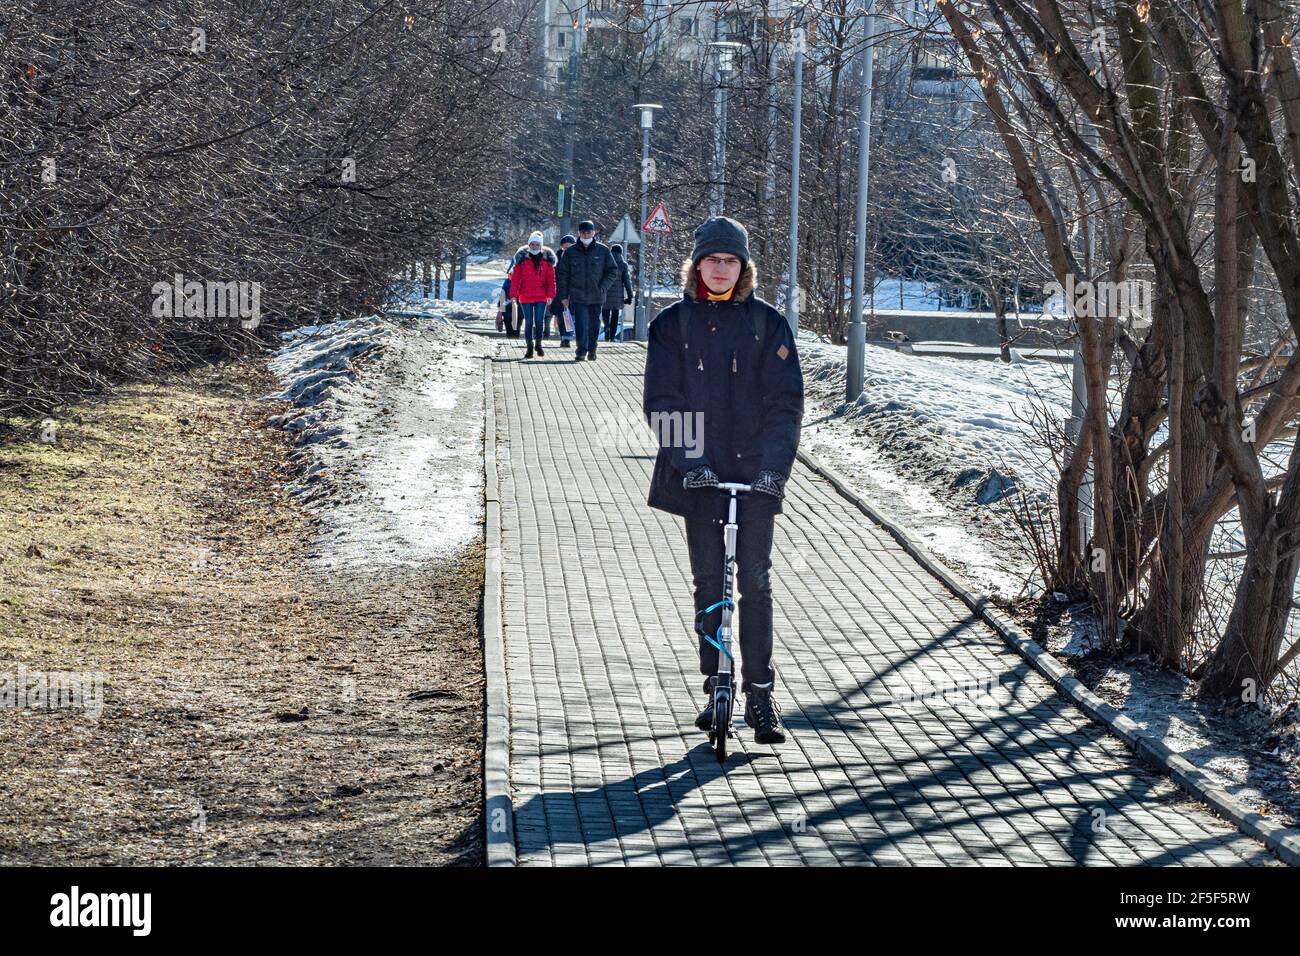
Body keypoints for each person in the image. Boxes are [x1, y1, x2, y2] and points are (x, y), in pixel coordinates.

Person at [642, 217, 804, 745]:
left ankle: (760, 692)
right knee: (711, 583)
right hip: (698, 479)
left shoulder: (767, 323)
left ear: (744, 267)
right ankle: (716, 683)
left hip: (755, 480)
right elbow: (663, 402)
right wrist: (693, 464)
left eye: (730, 261)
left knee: (753, 583)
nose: (720, 269)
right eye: (712, 260)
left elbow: (786, 406)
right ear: (696, 265)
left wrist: (773, 473)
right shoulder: (672, 325)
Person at [555, 219, 617, 361]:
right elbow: (562, 275)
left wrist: (603, 287)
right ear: (579, 233)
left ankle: (592, 349)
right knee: (581, 323)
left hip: (597, 295)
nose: (586, 235)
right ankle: (581, 351)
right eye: (583, 232)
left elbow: (612, 271)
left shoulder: (603, 250)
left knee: (594, 325)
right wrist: (563, 295)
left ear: (593, 233)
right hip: (577, 295)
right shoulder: (570, 252)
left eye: (589, 232)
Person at [510, 231, 557, 359]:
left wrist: (551, 295)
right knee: (529, 321)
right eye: (532, 244)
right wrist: (513, 295)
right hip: (525, 296)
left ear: (540, 246)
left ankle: (539, 344)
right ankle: (529, 347)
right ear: (529, 244)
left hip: (541, 296)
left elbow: (551, 280)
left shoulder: (547, 261)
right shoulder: (521, 260)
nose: (534, 246)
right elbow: (515, 279)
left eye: (537, 244)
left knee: (539, 321)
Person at [601, 243, 634, 343]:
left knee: (605, 312)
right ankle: (611, 336)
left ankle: (606, 327)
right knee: (615, 316)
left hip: (605, 292)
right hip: (618, 296)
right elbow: (627, 281)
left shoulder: (605, 262)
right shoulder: (623, 264)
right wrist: (630, 296)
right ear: (621, 252)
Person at [548, 235, 576, 345]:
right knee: (560, 316)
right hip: (558, 292)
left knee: (571, 315)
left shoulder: (578, 258)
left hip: (573, 292)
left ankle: (567, 338)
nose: (567, 250)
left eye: (569, 248)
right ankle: (563, 337)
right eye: (565, 248)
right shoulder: (556, 259)